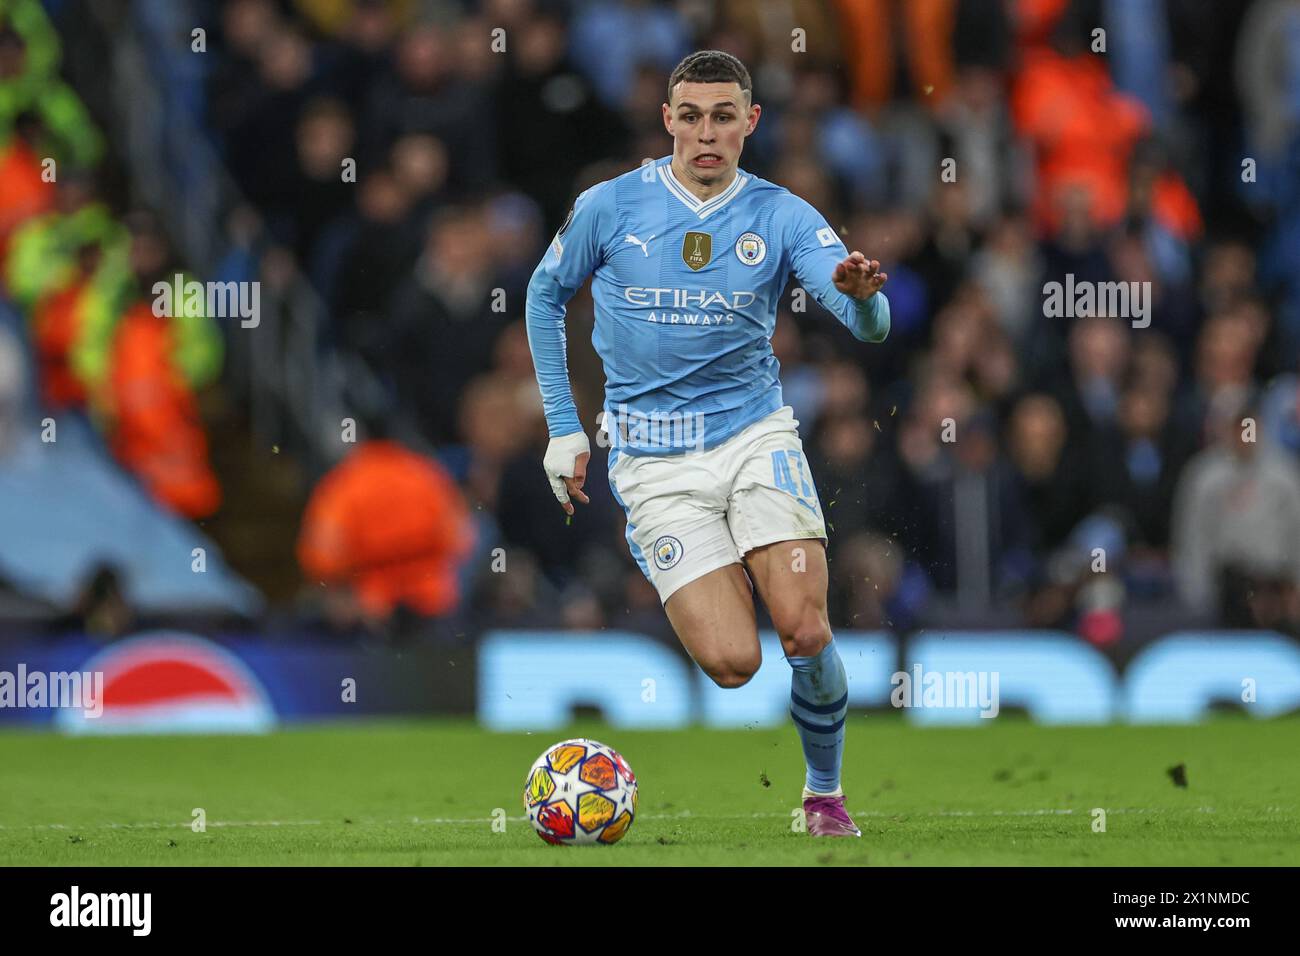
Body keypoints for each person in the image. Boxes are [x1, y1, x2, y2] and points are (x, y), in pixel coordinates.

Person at [524, 50, 890, 838]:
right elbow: (543, 293)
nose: (706, 133)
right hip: (654, 461)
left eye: (724, 116)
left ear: (750, 122)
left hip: (755, 438)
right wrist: (562, 425)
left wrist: (862, 302)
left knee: (805, 628)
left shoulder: (783, 214)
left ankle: (823, 797)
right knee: (734, 665)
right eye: (690, 116)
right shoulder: (611, 206)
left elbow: (865, 314)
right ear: (667, 121)